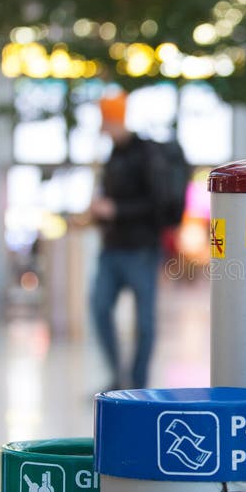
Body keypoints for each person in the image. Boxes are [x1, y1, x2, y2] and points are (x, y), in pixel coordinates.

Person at [90, 92, 167, 390]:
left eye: (105, 121)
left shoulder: (146, 154)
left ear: (114, 120)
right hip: (112, 248)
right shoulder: (112, 156)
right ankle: (116, 376)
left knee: (145, 322)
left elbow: (157, 203)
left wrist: (117, 210)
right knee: (99, 308)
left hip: (142, 249)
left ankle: (138, 382)